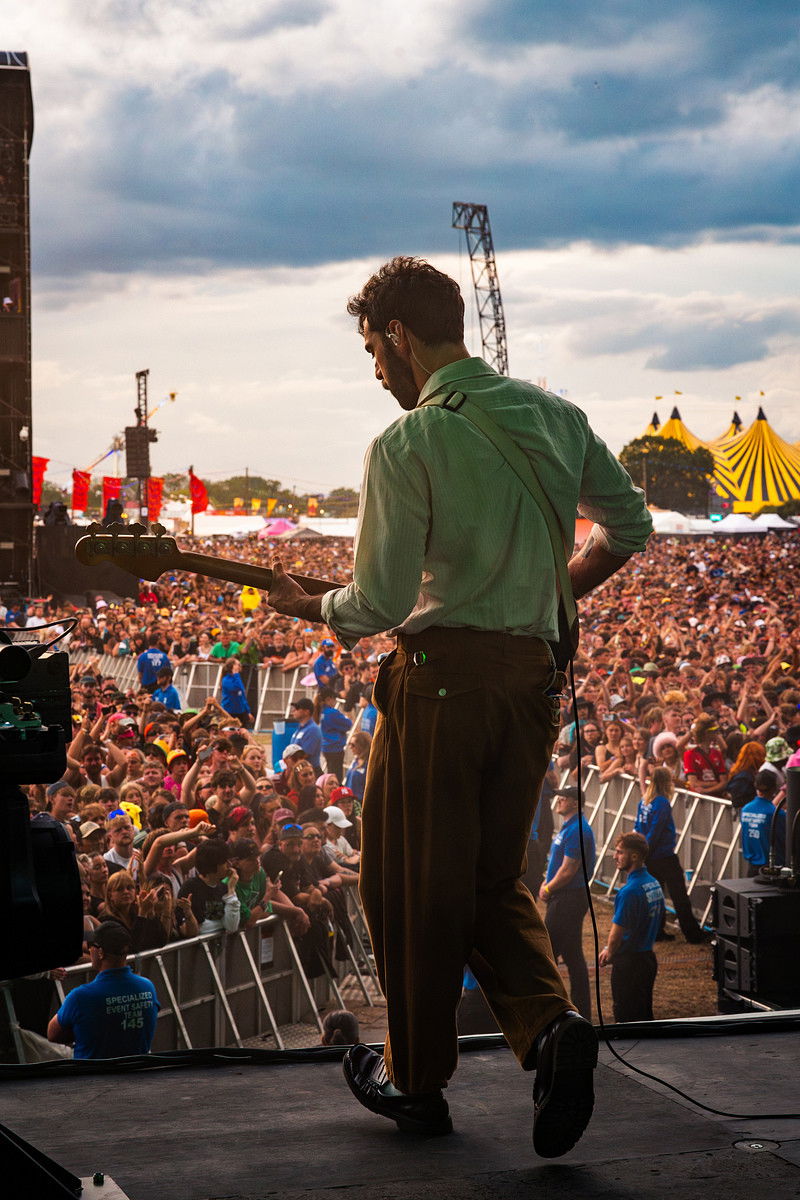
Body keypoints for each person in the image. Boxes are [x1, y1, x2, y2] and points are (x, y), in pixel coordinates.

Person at [266, 256, 652, 1155]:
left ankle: (415, 1081)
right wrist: (551, 593)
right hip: (531, 683)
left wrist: (308, 606)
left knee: (408, 883)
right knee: (487, 880)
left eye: (373, 350)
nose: (376, 371)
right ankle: (552, 1028)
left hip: (440, 684)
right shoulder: (556, 416)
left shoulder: (407, 443)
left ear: (399, 335)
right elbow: (630, 527)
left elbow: (378, 603)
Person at [47, 921, 159, 1059]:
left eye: (90, 946)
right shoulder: (147, 987)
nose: (89, 950)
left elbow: (52, 1034)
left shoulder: (80, 997)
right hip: (136, 1069)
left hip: (93, 1071)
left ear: (100, 952)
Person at [539, 786, 596, 1021]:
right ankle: (580, 1008)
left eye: (563, 798)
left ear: (575, 803)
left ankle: (551, 1007)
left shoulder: (577, 829)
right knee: (573, 955)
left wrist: (548, 887)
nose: (559, 801)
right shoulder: (569, 827)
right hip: (566, 896)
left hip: (568, 897)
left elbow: (569, 869)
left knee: (549, 952)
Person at [633, 767, 706, 944]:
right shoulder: (661, 802)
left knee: (656, 895)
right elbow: (656, 830)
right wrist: (647, 849)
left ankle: (656, 931)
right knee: (679, 896)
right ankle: (693, 934)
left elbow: (638, 826)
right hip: (663, 855)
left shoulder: (644, 800)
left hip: (650, 855)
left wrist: (642, 851)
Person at [599, 833, 665, 1023]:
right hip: (647, 959)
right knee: (644, 1014)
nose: (615, 856)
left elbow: (616, 934)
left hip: (629, 964)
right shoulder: (653, 883)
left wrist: (609, 951)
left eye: (620, 852)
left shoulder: (629, 892)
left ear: (634, 856)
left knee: (626, 1018)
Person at [740, 769, 787, 876]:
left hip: (752, 868)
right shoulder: (776, 813)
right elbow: (784, 840)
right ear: (774, 788)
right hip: (772, 870)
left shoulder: (746, 809)